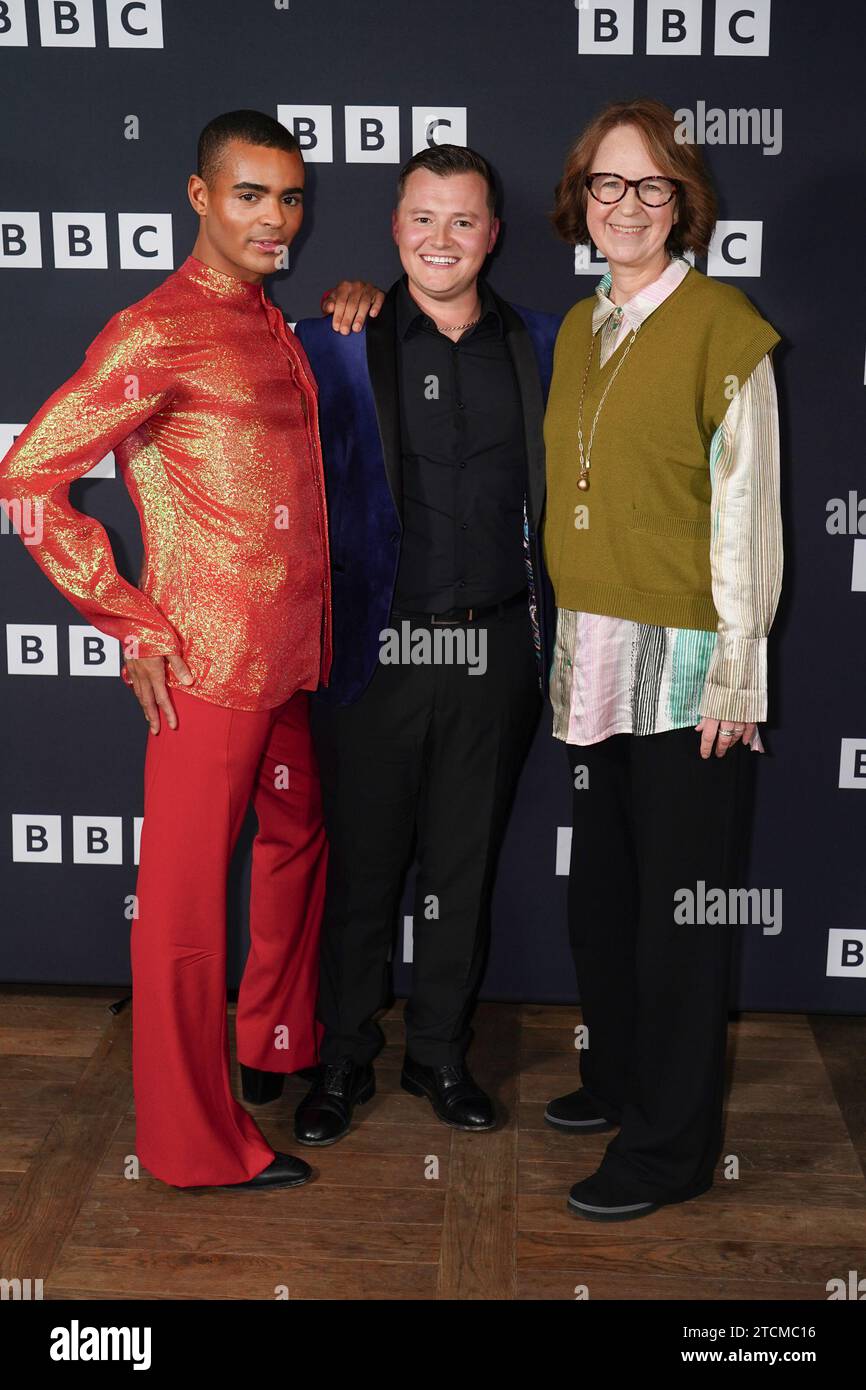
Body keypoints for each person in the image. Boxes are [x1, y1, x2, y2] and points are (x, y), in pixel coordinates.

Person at [0, 109, 369, 1192]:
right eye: (250, 195)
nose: (274, 217)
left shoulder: (270, 321)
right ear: (200, 197)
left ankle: (274, 1044)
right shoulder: (153, 330)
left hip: (293, 655)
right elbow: (28, 479)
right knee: (183, 910)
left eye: (289, 197)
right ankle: (190, 1144)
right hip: (204, 667)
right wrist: (128, 618)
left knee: (297, 843)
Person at [289, 145, 560, 1145]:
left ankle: (440, 1054)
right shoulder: (338, 340)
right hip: (376, 654)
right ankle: (343, 1056)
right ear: (394, 226)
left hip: (495, 650)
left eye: (462, 220)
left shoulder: (544, 344)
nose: (440, 238)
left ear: (492, 234)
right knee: (363, 870)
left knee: (462, 868)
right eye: (422, 217)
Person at [542, 98, 783, 1221]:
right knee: (605, 899)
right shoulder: (575, 327)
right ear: (581, 199)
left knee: (678, 920)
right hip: (592, 656)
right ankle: (620, 1081)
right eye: (607, 183)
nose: (627, 205)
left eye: (651, 186)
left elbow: (746, 509)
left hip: (689, 666)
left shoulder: (723, 326)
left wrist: (739, 668)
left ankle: (671, 1151)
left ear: (682, 203)